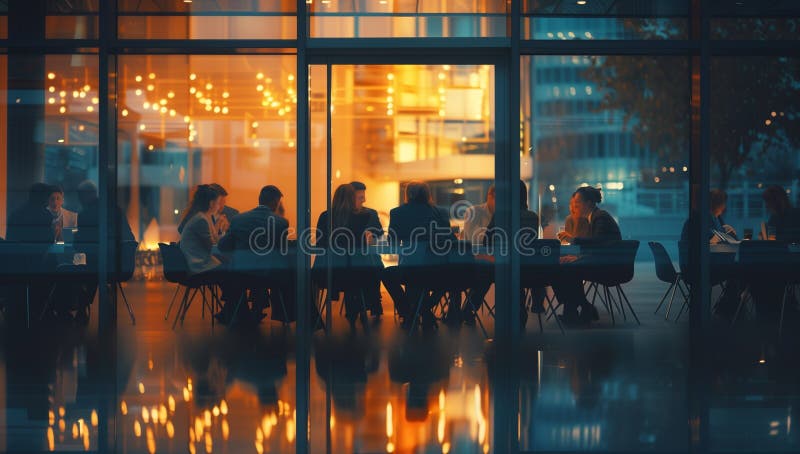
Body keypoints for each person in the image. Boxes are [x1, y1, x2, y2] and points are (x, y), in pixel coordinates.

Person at [464, 181, 539, 328]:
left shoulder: (502, 215)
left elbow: (487, 241)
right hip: (525, 269)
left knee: (484, 273)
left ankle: (468, 310)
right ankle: (519, 314)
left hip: (501, 267)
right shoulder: (532, 216)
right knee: (511, 274)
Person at [384, 182, 452, 328]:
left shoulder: (397, 212)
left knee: (386, 274)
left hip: (410, 270)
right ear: (428, 194)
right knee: (449, 275)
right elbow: (449, 240)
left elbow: (392, 242)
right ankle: (425, 309)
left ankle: (407, 310)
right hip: (437, 271)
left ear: (408, 195)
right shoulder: (440, 212)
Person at [218, 185, 290, 323]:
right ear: (276, 202)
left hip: (241, 276)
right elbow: (282, 252)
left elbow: (223, 246)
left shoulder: (239, 219)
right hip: (268, 276)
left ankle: (241, 312)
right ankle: (259, 311)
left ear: (259, 199)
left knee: (244, 268)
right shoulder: (281, 222)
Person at [315, 184, 382, 327]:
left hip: (329, 273)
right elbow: (362, 246)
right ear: (351, 198)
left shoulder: (325, 216)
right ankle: (364, 307)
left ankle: (314, 321)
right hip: (356, 275)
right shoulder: (362, 217)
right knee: (369, 268)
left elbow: (320, 244)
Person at [553, 186, 621, 325]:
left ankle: (575, 311)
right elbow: (597, 247)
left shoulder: (600, 217)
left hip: (610, 267)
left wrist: (573, 241)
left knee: (567, 270)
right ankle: (581, 309)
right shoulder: (595, 217)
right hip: (605, 262)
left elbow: (598, 243)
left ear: (589, 203)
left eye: (577, 203)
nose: (574, 207)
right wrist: (577, 257)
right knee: (565, 268)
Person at [179, 185, 224, 275]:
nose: (219, 207)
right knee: (232, 269)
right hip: (199, 265)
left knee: (230, 268)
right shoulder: (201, 219)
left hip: (198, 262)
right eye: (218, 203)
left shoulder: (204, 216)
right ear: (211, 203)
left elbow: (214, 240)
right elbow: (212, 246)